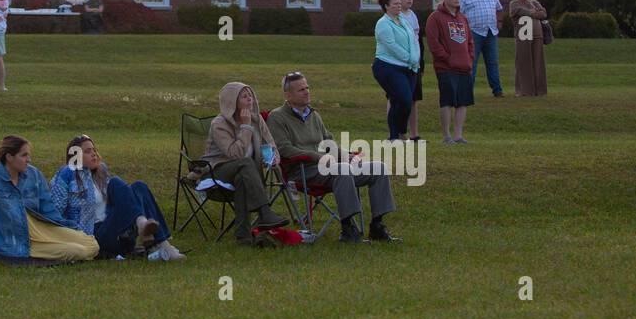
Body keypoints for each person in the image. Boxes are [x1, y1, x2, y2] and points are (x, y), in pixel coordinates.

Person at [266, 71, 399, 243]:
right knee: (342, 169)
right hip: (303, 172)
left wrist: (347, 156)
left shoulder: (313, 115)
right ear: (288, 95)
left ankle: (377, 226)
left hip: (329, 167)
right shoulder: (277, 117)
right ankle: (347, 228)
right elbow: (284, 149)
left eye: (307, 87)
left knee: (378, 167)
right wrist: (317, 157)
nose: (307, 92)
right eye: (301, 90)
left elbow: (329, 142)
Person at [50, 134, 185, 261]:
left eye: (94, 150)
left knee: (139, 187)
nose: (93, 154)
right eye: (87, 151)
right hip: (95, 236)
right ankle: (145, 228)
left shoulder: (101, 173)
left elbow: (123, 200)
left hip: (120, 234)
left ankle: (159, 241)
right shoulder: (66, 176)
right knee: (115, 182)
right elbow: (55, 212)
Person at [0, 135, 99, 261]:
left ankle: (65, 244)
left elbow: (48, 208)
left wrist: (68, 228)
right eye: (24, 155)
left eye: (28, 155)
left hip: (42, 229)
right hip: (17, 243)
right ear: (9, 157)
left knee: (91, 243)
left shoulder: (34, 174)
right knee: (79, 251)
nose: (29, 160)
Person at [199, 81, 290, 245]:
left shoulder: (257, 120)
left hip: (246, 174)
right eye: (244, 96)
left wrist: (273, 157)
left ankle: (243, 236)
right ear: (232, 101)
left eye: (251, 95)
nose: (250, 100)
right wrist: (246, 127)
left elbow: (270, 144)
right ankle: (264, 212)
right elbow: (235, 154)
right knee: (245, 163)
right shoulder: (219, 124)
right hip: (217, 172)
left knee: (242, 177)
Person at [425, 0, 474, 144]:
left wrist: (469, 58)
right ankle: (446, 136)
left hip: (464, 67)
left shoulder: (463, 18)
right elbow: (433, 43)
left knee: (462, 102)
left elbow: (470, 42)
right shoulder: (435, 17)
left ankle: (458, 135)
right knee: (447, 101)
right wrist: (447, 58)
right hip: (446, 68)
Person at [372, 0, 419, 140]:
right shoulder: (383, 24)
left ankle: (400, 133)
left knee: (404, 102)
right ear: (386, 6)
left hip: (409, 68)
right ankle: (394, 136)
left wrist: (415, 59)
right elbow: (391, 46)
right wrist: (410, 58)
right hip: (388, 67)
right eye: (395, 4)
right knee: (403, 99)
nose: (399, 6)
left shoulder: (403, 21)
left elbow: (413, 40)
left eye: (400, 3)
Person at [459, 0, 504, 98]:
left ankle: (497, 90)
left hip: (491, 32)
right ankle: (468, 91)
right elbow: (458, 14)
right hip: (474, 33)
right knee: (471, 63)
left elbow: (499, 9)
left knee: (493, 62)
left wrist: (499, 22)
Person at [394, 0, 425, 140]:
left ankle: (414, 134)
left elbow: (418, 41)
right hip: (399, 64)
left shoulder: (413, 16)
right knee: (395, 99)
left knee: (413, 99)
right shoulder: (394, 17)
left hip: (414, 64)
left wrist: (421, 62)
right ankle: (395, 133)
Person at [507, 0, 548, 96]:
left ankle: (539, 90)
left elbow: (543, 13)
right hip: (523, 36)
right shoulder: (514, 3)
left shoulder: (534, 2)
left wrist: (531, 12)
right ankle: (524, 91)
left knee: (538, 63)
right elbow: (517, 11)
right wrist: (531, 12)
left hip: (537, 36)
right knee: (523, 63)